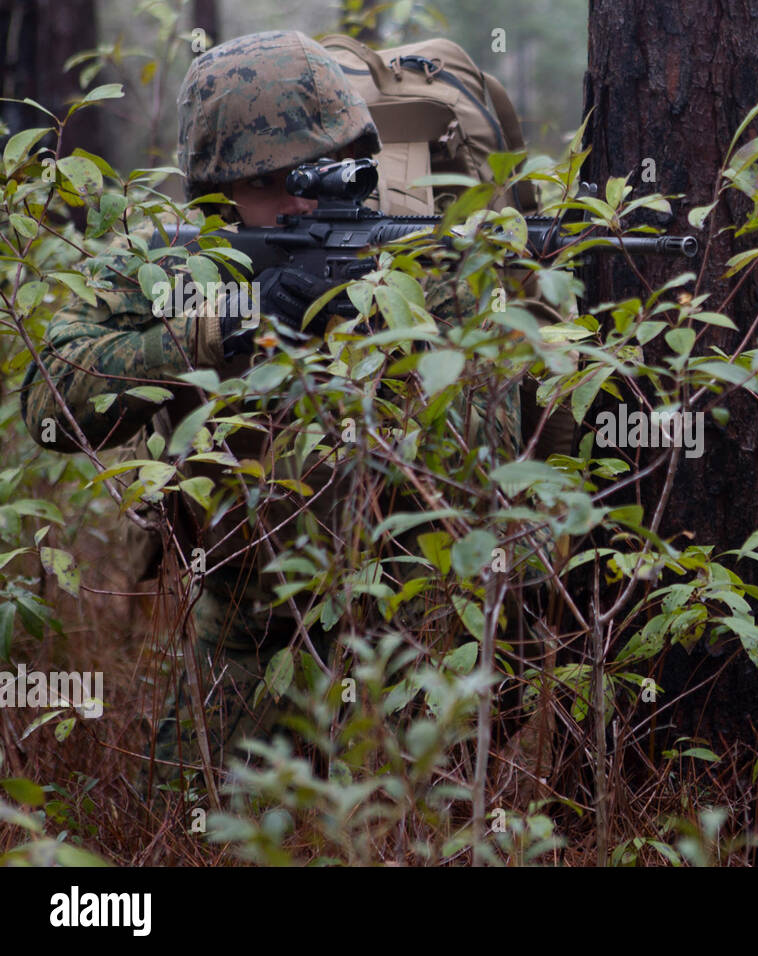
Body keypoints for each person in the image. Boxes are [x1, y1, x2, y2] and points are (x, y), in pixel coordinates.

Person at [20, 30, 530, 790]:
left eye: (328, 169)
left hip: (403, 629)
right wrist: (220, 327)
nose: (306, 196)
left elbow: (491, 470)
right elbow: (50, 403)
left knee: (413, 820)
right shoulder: (183, 261)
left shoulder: (413, 249)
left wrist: (394, 340)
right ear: (217, 193)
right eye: (278, 180)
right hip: (249, 628)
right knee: (194, 820)